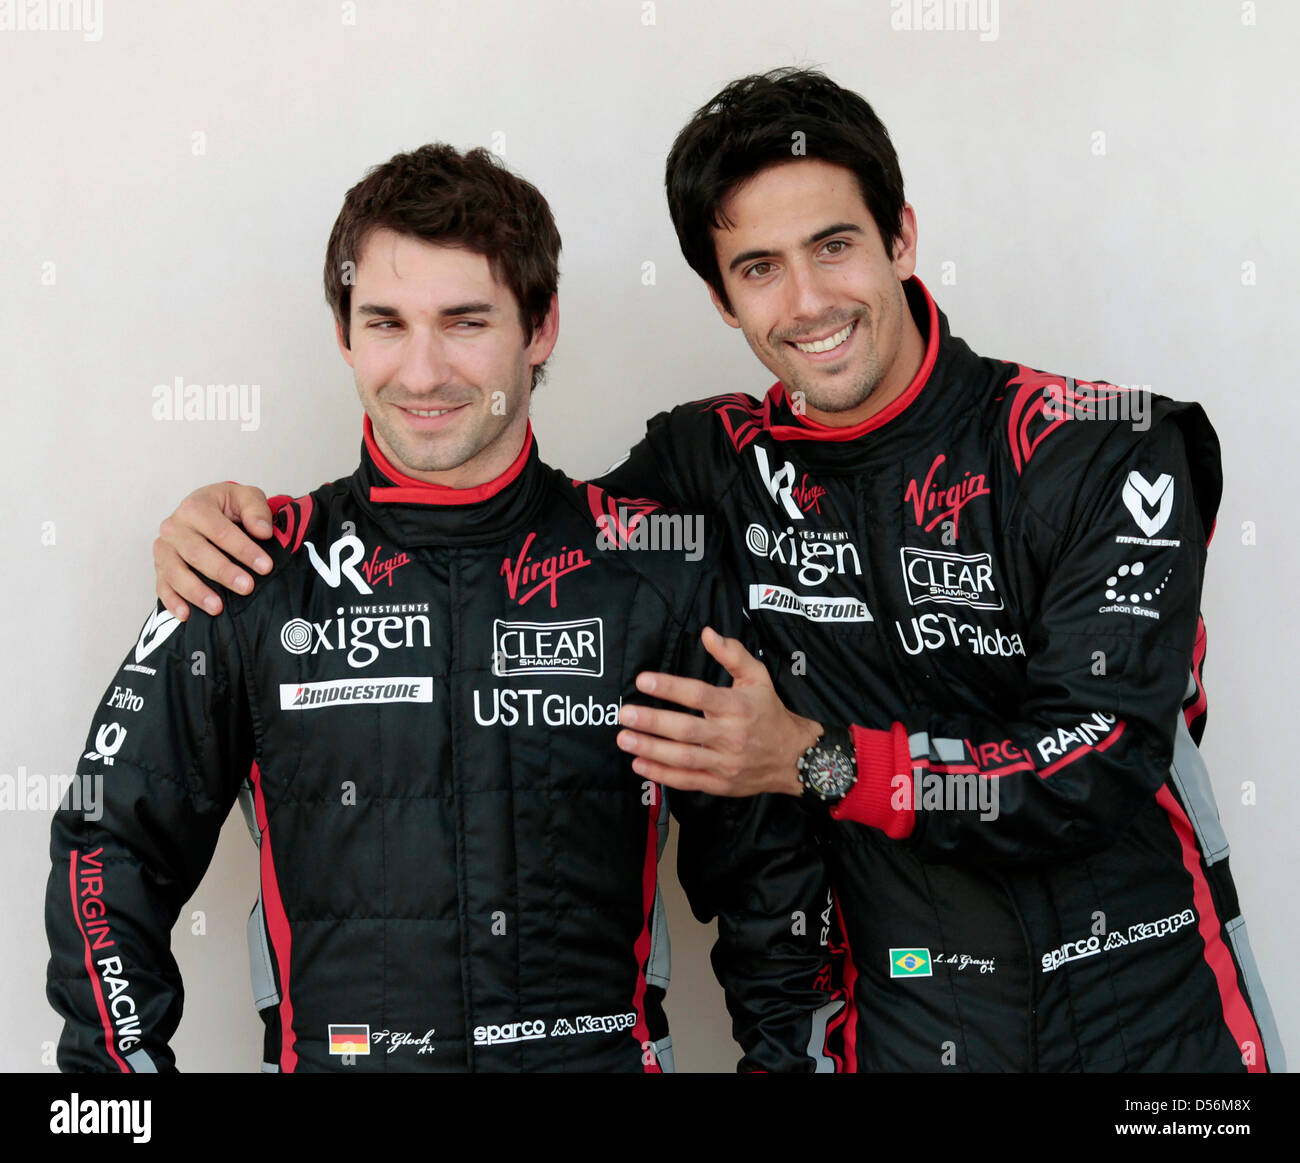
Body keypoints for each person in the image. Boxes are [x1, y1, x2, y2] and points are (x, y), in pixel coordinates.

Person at [149, 70, 1284, 1073]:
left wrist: (814, 761)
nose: (805, 301)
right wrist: (229, 530)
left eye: (833, 245)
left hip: (1154, 1020)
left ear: (899, 235)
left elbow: (1087, 767)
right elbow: (503, 534)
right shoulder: (707, 462)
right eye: (757, 266)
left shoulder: (1100, 443)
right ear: (719, 296)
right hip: (898, 1027)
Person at [45, 143, 839, 1074]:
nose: (421, 374)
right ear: (343, 335)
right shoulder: (246, 571)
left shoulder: (656, 569)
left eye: (465, 323)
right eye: (386, 323)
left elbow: (774, 881)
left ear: (539, 328)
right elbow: (107, 845)